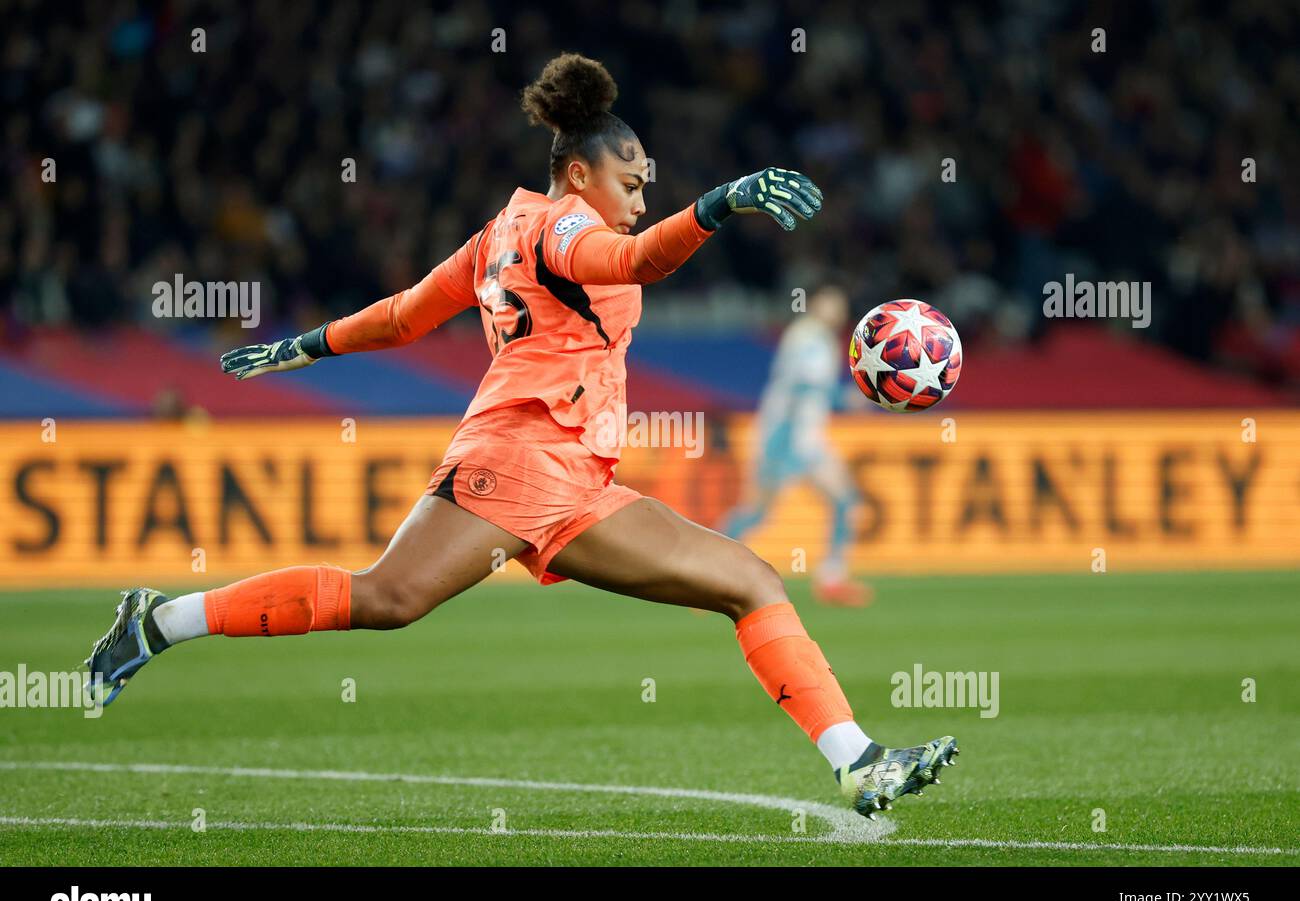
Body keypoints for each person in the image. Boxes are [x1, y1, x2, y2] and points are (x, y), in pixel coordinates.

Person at [84, 53, 956, 819]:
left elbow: (403, 314)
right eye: (632, 181)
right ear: (579, 174)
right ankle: (158, 621)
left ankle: (859, 762)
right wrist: (718, 205)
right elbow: (634, 260)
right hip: (516, 456)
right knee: (386, 599)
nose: (640, 197)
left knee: (751, 581)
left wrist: (304, 344)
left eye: (648, 185)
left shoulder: (500, 231)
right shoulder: (564, 226)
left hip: (576, 476)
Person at [722, 284, 874, 607]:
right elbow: (806, 385)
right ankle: (704, 569)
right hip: (785, 436)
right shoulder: (810, 337)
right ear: (816, 303)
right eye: (831, 301)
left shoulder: (815, 337)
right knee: (756, 512)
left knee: (845, 500)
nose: (837, 309)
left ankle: (831, 579)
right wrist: (845, 398)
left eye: (840, 303)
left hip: (805, 439)